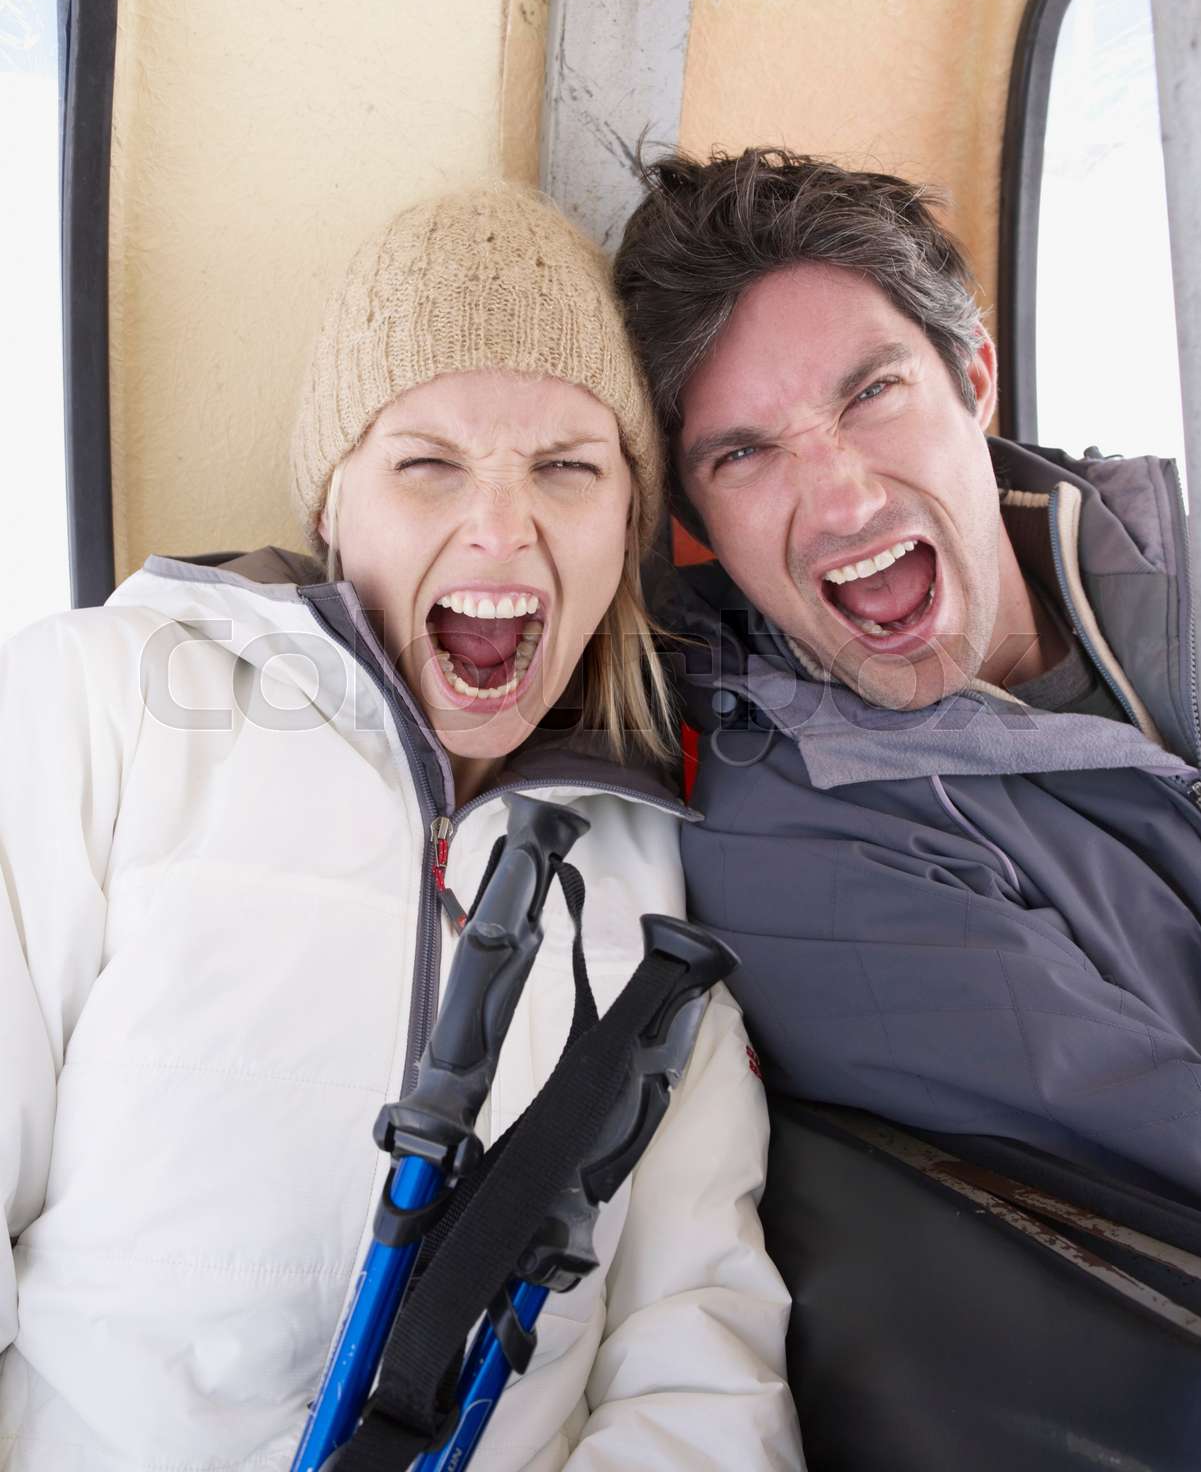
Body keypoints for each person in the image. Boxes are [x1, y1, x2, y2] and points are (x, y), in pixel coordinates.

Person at [0, 185, 802, 1471]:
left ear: (629, 526)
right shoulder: (98, 705)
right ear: (334, 500)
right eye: (426, 463)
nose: (499, 524)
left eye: (567, 468)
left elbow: (693, 1324)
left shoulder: (654, 852)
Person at [613, 147, 1201, 1202]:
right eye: (744, 455)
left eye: (872, 393)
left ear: (973, 378)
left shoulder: (1166, 560)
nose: (841, 501)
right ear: (702, 526)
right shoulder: (801, 846)